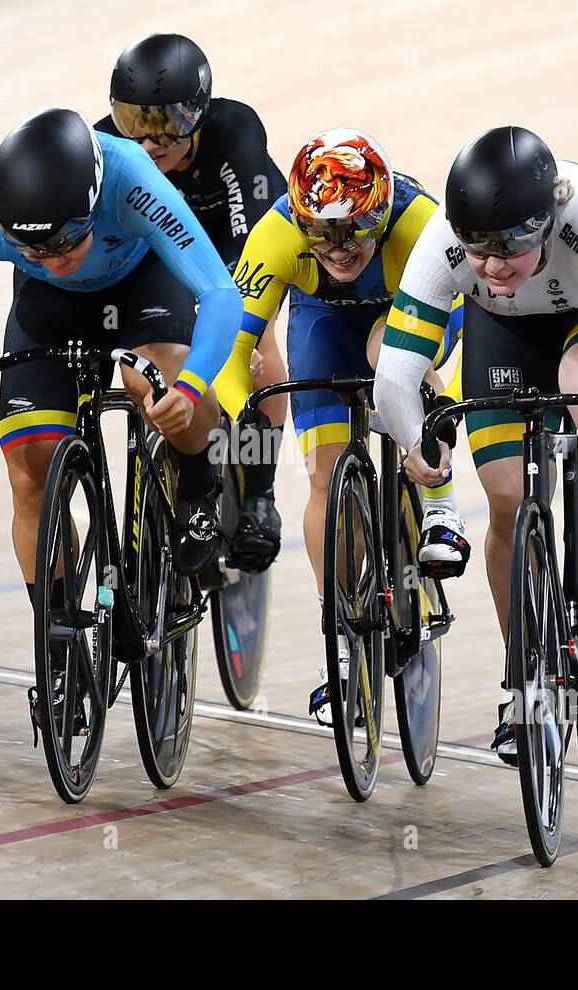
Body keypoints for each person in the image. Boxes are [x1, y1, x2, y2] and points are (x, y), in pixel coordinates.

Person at [374, 125, 578, 762]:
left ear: (548, 220)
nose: (494, 264)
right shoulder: (445, 241)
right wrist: (415, 443)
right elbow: (395, 373)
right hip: (504, 328)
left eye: (513, 244)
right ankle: (522, 682)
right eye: (479, 248)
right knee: (505, 502)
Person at [0, 108, 243, 607]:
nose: (57, 260)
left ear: (95, 199)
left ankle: (196, 484)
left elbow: (220, 295)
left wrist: (190, 387)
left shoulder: (129, 175)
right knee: (28, 470)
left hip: (141, 284)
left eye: (67, 240)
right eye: (35, 250)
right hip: (49, 307)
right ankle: (58, 639)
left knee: (154, 380)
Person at [220, 127, 469, 724]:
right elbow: (234, 347)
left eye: (354, 231)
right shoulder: (278, 233)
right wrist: (241, 409)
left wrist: (446, 405)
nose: (338, 248)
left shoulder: (422, 224)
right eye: (322, 234)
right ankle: (340, 644)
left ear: (381, 215)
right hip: (323, 323)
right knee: (326, 479)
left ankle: (437, 502)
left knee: (390, 356)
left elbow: (479, 322)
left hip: (407, 313)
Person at [97, 32, 288, 569]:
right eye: (135, 123)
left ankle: (259, 493)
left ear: (198, 115)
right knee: (153, 343)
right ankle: (187, 461)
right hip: (158, 249)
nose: (150, 141)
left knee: (254, 332)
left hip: (236, 235)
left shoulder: (234, 131)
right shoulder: (106, 144)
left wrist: (228, 315)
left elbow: (248, 242)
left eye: (167, 125)